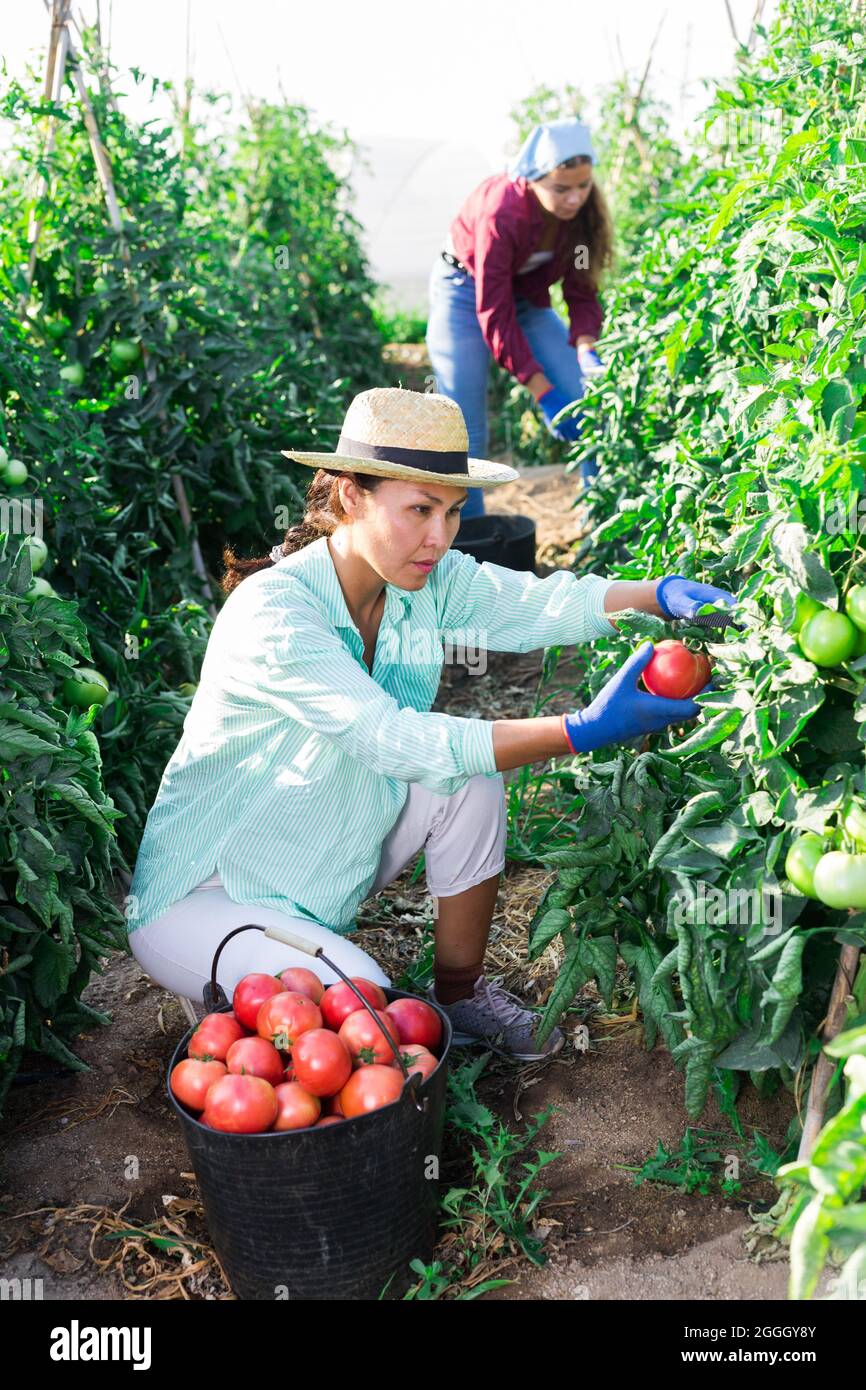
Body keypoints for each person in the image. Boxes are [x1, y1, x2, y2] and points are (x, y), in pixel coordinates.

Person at [127, 387, 735, 1061]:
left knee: (469, 781)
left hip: (317, 854)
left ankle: (461, 993)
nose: (439, 537)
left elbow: (533, 603)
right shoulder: (276, 615)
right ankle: (225, 990)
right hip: (209, 893)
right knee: (367, 1010)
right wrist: (580, 729)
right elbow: (394, 738)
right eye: (419, 510)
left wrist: (658, 595)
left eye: (451, 512)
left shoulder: (419, 583)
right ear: (351, 498)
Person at [426, 118, 613, 520]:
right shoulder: (502, 212)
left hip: (526, 296)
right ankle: (469, 543)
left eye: (583, 186)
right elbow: (494, 312)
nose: (574, 198)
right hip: (464, 289)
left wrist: (586, 350)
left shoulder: (581, 217)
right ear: (532, 179)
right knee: (465, 428)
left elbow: (581, 291)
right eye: (561, 189)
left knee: (592, 404)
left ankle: (602, 526)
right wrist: (543, 392)